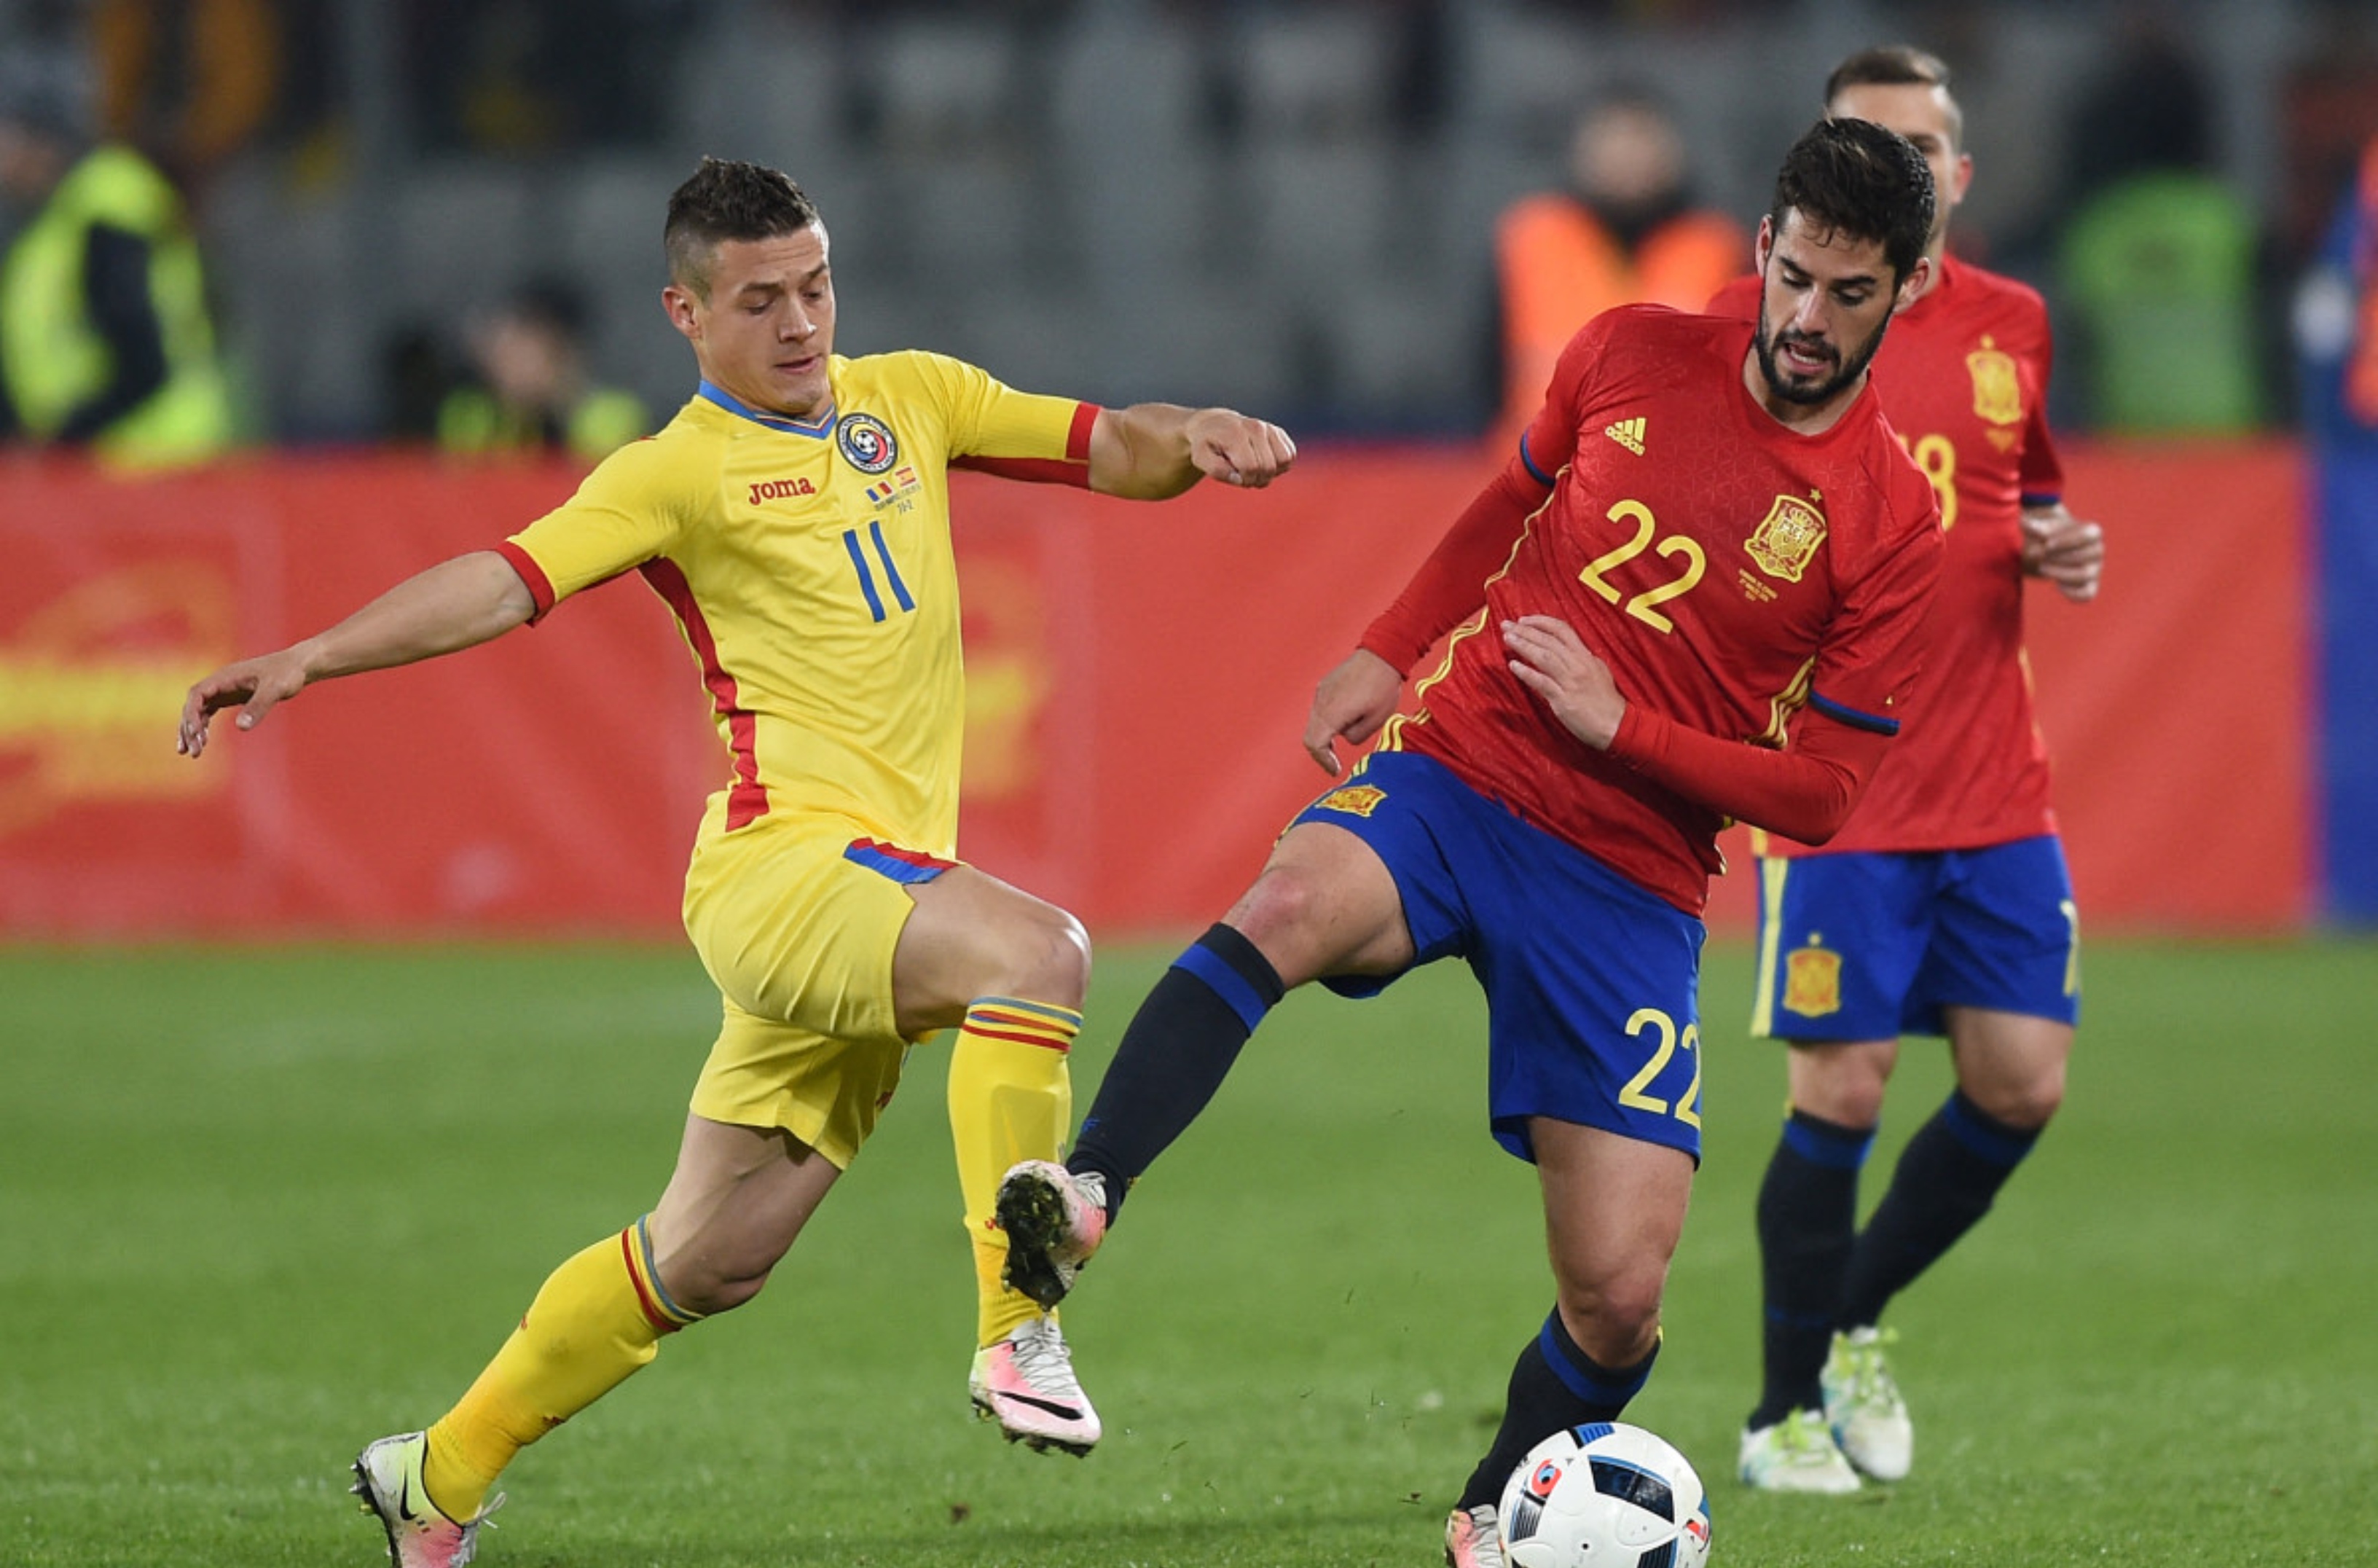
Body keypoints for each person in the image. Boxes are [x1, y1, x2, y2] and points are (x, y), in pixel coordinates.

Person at [176, 157, 1295, 1567]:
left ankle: (434, 1474)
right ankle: (1017, 1330)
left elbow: (1112, 446)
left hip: (876, 887)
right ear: (685, 313)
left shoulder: (912, 398)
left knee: (710, 1257)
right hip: (782, 872)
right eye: (759, 300)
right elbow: (505, 580)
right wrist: (316, 652)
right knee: (1037, 954)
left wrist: (1196, 434)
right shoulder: (674, 472)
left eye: (814, 287)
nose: (800, 322)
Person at [994, 116, 1943, 1568]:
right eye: (1795, 275)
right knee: (1291, 900)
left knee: (1618, 1299)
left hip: (1631, 876)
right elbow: (1512, 497)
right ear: (1762, 245)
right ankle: (1089, 1189)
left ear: (1906, 289)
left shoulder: (1887, 517)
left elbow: (1824, 794)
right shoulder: (1629, 351)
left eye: (1849, 293)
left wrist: (1623, 726)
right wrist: (1388, 646)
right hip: (1466, 766)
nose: (1808, 317)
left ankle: (1492, 1511)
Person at [1703, 47, 2106, 1495]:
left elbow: (2025, 493)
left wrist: (2058, 542)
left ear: (1957, 175)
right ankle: (1780, 1414)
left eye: (1915, 148)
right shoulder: (1765, 327)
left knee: (2021, 1084)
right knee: (1843, 1089)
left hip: (1994, 783)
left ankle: (1849, 1314)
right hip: (1842, 788)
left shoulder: (2013, 325)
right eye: (1859, 142)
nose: (1888, 168)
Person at [0, 46, 236, 469]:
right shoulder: (56, 221)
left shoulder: (108, 206)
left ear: (41, 137)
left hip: (155, 465)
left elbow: (144, 362)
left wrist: (57, 446)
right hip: (110, 471)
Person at [1491, 85, 1745, 447]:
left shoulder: (1716, 247)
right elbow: (1482, 371)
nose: (1627, 158)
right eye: (1613, 140)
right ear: (1582, 150)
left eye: (1641, 140)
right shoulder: (1531, 239)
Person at [436, 275, 650, 461]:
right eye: (505, 348)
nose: (509, 363)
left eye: (525, 349)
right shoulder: (472, 415)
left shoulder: (612, 416)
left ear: (562, 349)